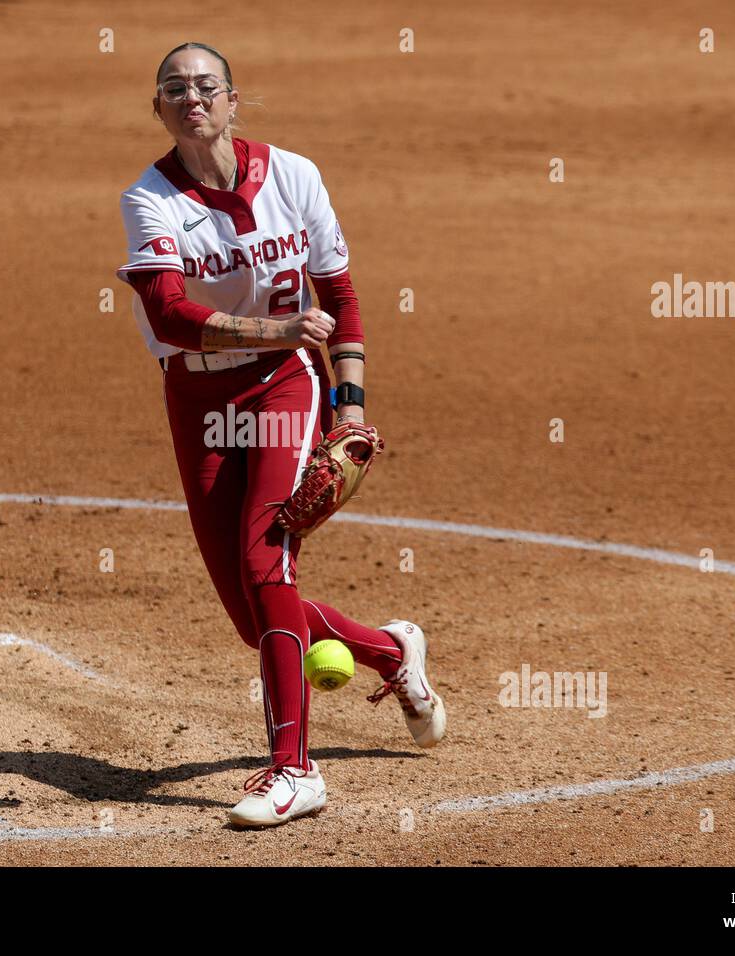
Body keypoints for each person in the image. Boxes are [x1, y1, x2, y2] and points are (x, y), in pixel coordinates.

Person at [116, 42, 446, 828]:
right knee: (254, 613)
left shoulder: (294, 175)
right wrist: (273, 325)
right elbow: (169, 314)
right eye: (173, 90)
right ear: (159, 110)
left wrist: (352, 406)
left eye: (205, 86)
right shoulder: (150, 198)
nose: (190, 97)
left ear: (234, 100)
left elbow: (339, 292)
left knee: (268, 563)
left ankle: (295, 771)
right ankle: (392, 653)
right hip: (196, 398)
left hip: (283, 385)